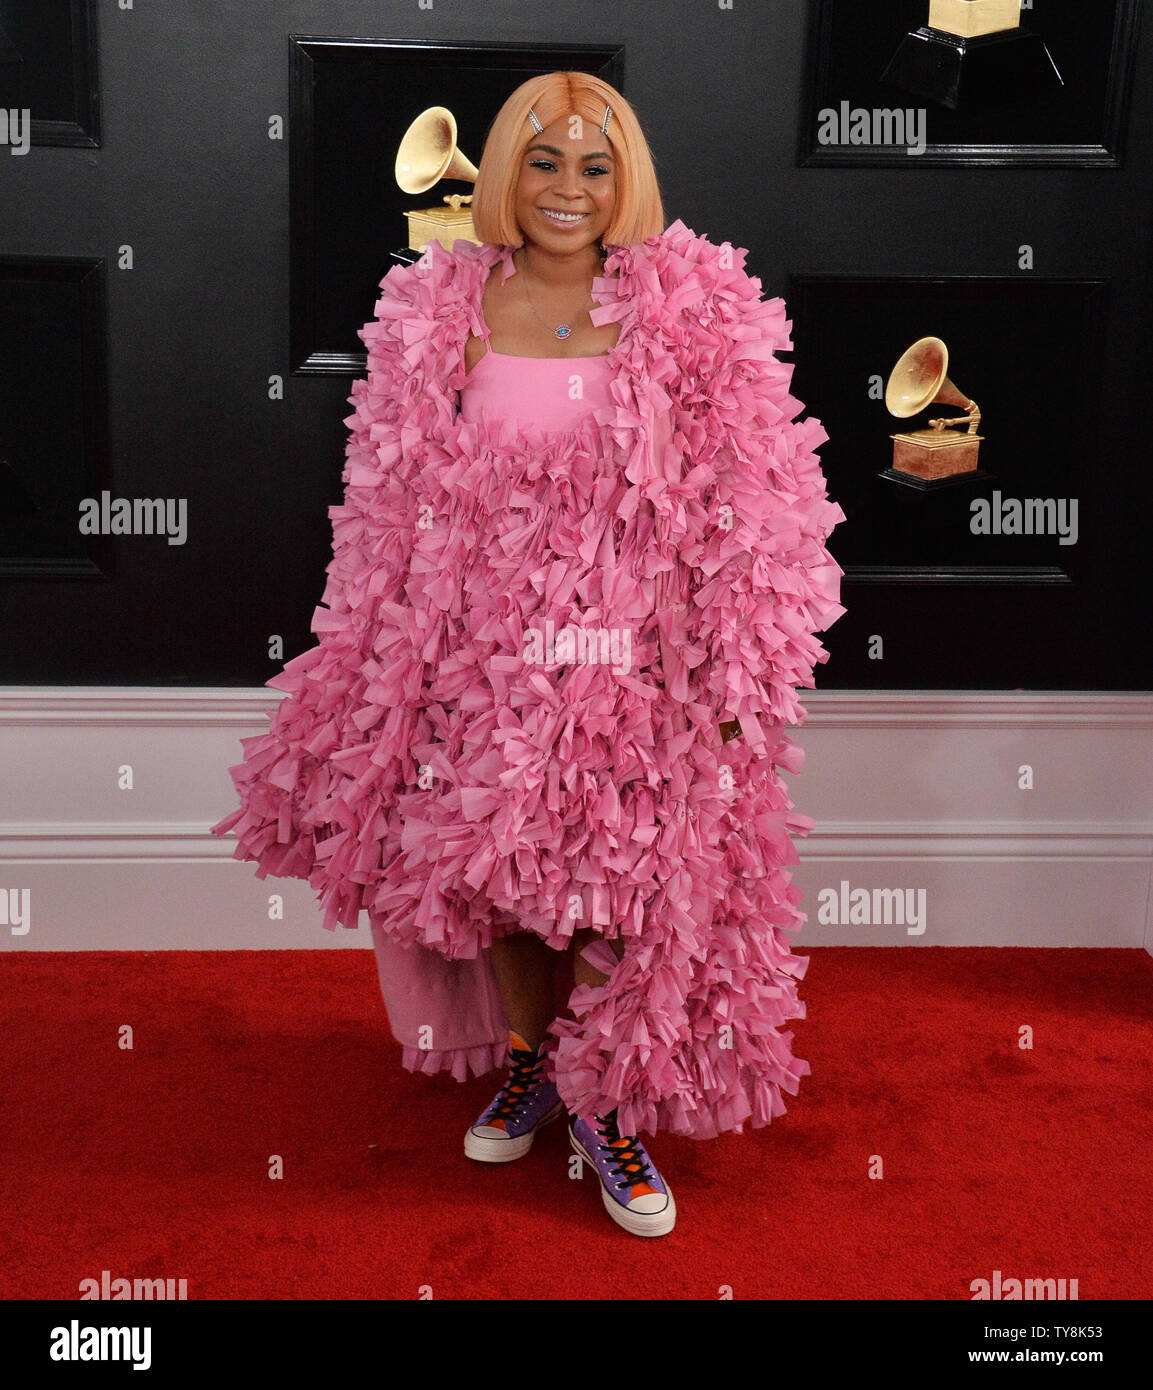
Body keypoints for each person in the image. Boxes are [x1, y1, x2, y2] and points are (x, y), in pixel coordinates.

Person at [212, 70, 845, 1240]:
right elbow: (390, 496)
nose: (567, 188)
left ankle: (608, 1098)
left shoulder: (690, 304)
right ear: (505, 172)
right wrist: (371, 659)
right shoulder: (435, 302)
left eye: (593, 166)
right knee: (501, 879)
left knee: (616, 885)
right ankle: (534, 1062)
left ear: (626, 181)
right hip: (477, 659)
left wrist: (730, 671)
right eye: (543, 162)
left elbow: (753, 502)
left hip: (633, 658)